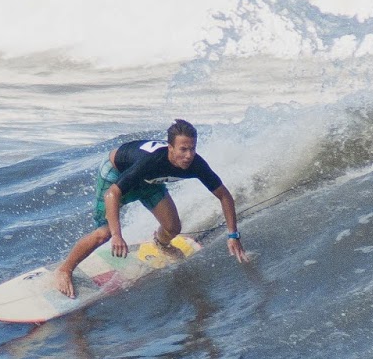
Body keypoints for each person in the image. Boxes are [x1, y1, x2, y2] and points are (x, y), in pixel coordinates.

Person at [53, 119, 249, 299]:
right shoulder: (153, 161)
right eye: (183, 149)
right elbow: (112, 194)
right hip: (116, 173)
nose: (189, 155)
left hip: (149, 181)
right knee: (104, 233)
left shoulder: (196, 165)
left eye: (192, 149)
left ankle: (160, 244)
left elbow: (224, 196)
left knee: (173, 228)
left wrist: (233, 235)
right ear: (170, 147)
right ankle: (65, 269)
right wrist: (117, 235)